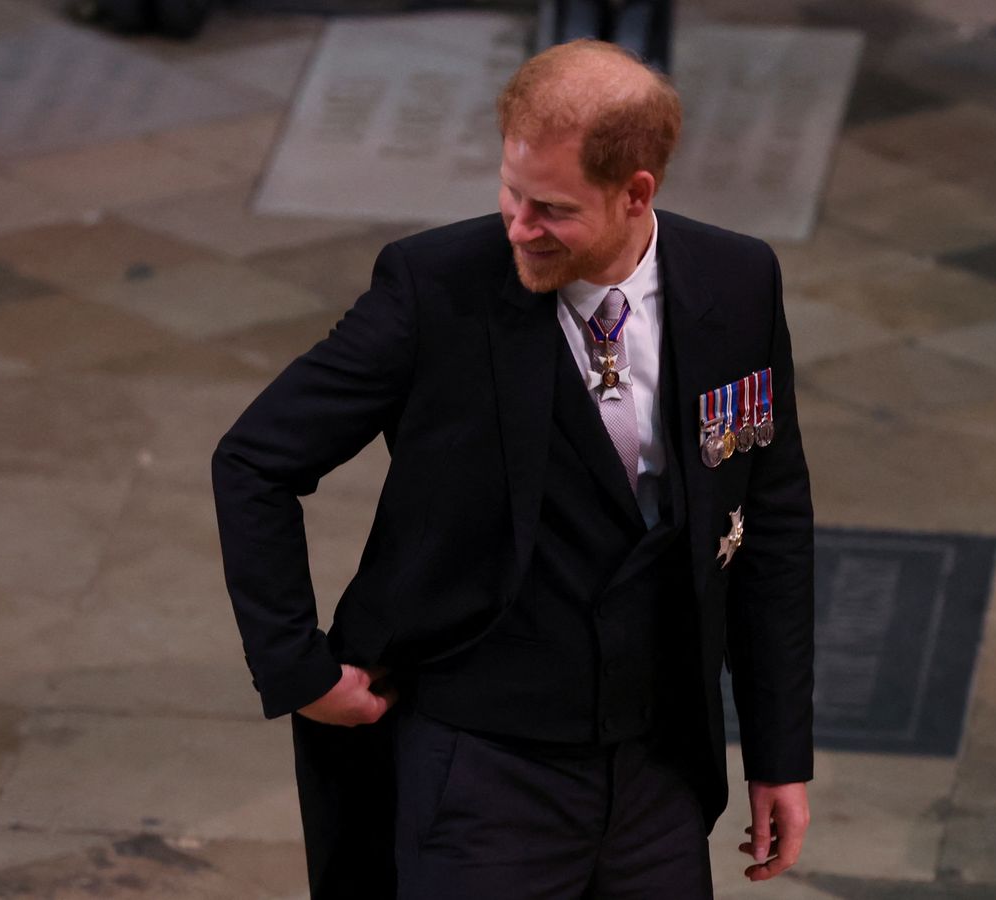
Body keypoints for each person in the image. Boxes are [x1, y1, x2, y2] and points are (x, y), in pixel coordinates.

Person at [213, 39, 814, 899]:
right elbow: (254, 460)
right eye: (511, 192)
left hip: (658, 774)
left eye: (554, 209)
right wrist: (296, 669)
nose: (519, 226)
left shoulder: (739, 278)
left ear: (637, 192)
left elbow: (774, 521)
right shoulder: (434, 290)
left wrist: (778, 754)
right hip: (479, 772)